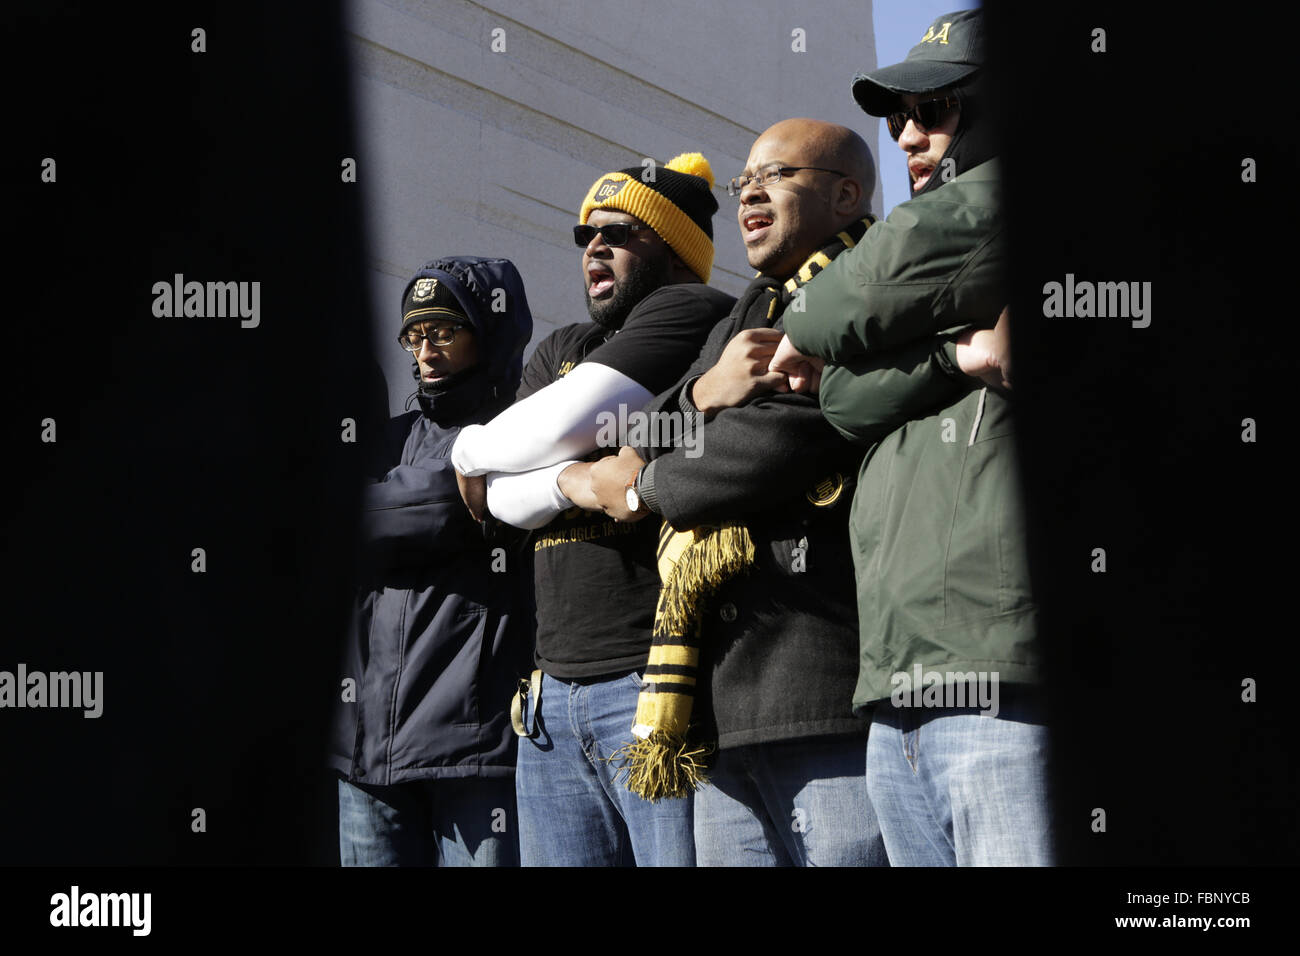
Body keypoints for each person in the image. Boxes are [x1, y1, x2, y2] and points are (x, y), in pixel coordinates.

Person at [775, 9, 1052, 866]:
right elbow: (845, 404)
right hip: (897, 697)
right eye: (895, 117)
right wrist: (956, 351)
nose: (905, 135)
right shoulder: (942, 256)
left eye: (932, 111)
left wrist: (865, 337)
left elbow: (817, 313)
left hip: (999, 694)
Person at [585, 119, 891, 867]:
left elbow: (777, 438)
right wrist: (706, 396)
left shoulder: (866, 286)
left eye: (776, 175)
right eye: (743, 179)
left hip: (821, 689)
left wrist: (646, 487)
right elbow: (650, 422)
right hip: (718, 706)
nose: (750, 190)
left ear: (847, 195)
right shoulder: (745, 311)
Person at [450, 153, 735, 866]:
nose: (594, 247)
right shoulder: (561, 348)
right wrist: (571, 482)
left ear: (675, 253)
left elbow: (538, 436)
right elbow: (498, 498)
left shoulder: (692, 310)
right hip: (549, 700)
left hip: (650, 690)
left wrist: (481, 450)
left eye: (619, 233)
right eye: (585, 236)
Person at [330, 255, 534, 866]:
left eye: (444, 331)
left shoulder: (516, 433)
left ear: (488, 333)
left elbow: (426, 510)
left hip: (470, 753)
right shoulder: (388, 437)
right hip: (365, 756)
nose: (425, 350)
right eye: (414, 336)